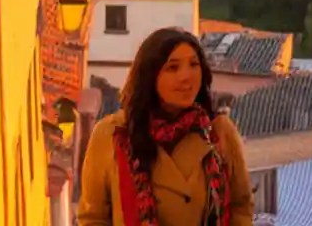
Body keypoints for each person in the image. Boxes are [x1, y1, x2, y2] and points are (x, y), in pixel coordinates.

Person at [77, 27, 253, 226]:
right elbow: (93, 218)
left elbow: (241, 206)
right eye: (173, 67)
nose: (186, 76)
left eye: (194, 64)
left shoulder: (218, 132)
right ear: (150, 76)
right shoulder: (112, 134)